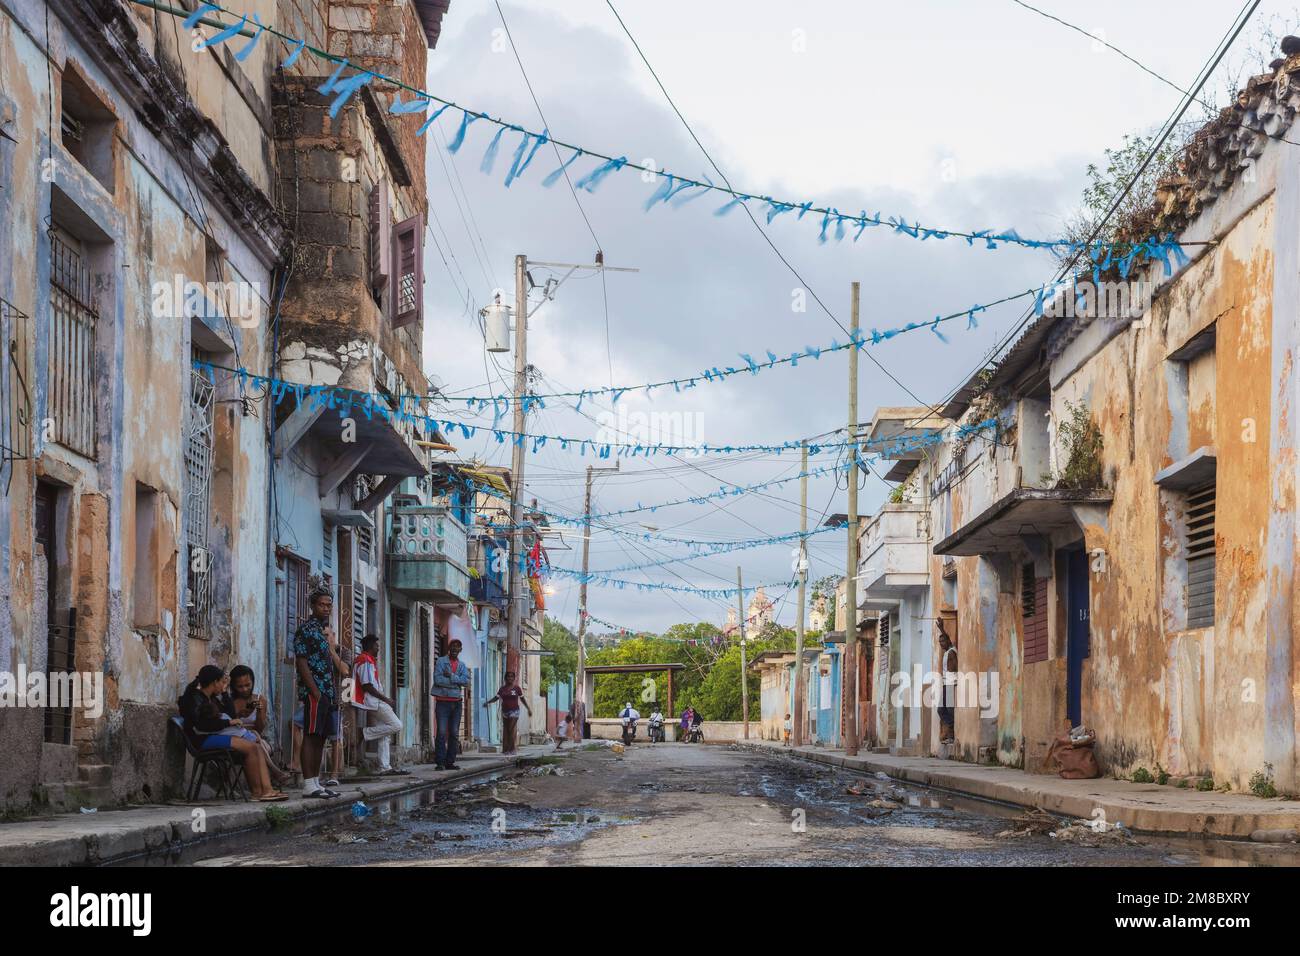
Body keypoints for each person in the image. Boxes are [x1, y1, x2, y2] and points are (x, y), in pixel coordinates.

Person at [178, 664, 285, 801]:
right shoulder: (196, 699)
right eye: (222, 682)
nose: (224, 685)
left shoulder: (213, 698)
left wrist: (223, 693)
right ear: (214, 682)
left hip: (214, 736)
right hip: (202, 739)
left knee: (256, 747)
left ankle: (261, 791)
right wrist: (228, 723)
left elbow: (230, 714)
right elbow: (202, 726)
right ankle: (263, 791)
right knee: (251, 747)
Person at [294, 587, 343, 798]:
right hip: (315, 692)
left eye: (329, 605)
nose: (326, 608)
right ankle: (308, 784)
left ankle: (316, 782)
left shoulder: (325, 632)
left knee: (321, 737)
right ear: (313, 606)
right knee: (311, 736)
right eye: (322, 604)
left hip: (328, 692)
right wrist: (314, 692)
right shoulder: (305, 630)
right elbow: (302, 662)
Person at [222, 664, 291, 786]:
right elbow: (230, 728)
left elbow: (259, 728)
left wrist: (259, 712)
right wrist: (240, 715)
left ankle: (265, 784)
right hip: (237, 742)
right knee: (255, 739)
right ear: (233, 686)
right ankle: (273, 772)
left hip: (257, 739)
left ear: (252, 682)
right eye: (240, 686)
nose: (244, 689)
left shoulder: (260, 699)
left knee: (256, 738)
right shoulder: (229, 702)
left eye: (248, 685)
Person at [352, 634, 408, 776]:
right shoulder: (365, 661)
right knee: (396, 725)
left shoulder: (367, 660)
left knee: (385, 734)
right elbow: (367, 686)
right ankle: (364, 733)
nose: (378, 648)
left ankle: (385, 766)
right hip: (373, 701)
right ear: (371, 646)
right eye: (377, 646)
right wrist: (386, 699)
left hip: (374, 701)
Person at [431, 638, 470, 769]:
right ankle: (440, 762)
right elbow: (437, 679)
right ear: (449, 648)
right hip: (442, 702)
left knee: (454, 733)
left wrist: (452, 676)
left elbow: (466, 682)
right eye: (453, 646)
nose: (455, 649)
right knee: (441, 732)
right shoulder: (441, 661)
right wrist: (455, 683)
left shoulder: (462, 665)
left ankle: (450, 762)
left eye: (457, 647)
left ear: (460, 650)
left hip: (457, 704)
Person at [483, 669, 531, 755]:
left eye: (512, 677)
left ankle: (512, 749)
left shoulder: (517, 688)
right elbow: (496, 697)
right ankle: (505, 749)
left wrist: (528, 708)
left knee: (511, 729)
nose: (510, 678)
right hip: (505, 711)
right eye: (508, 677)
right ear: (505, 678)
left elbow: (522, 698)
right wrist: (488, 702)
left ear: (514, 678)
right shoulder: (502, 689)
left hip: (514, 711)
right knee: (505, 730)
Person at [937, 619, 958, 744]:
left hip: (950, 683)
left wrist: (942, 629)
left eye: (942, 641)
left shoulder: (952, 651)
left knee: (947, 709)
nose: (941, 644)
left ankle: (951, 735)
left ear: (947, 641)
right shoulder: (946, 652)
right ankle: (949, 733)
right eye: (939, 642)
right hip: (946, 683)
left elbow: (955, 666)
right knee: (942, 709)